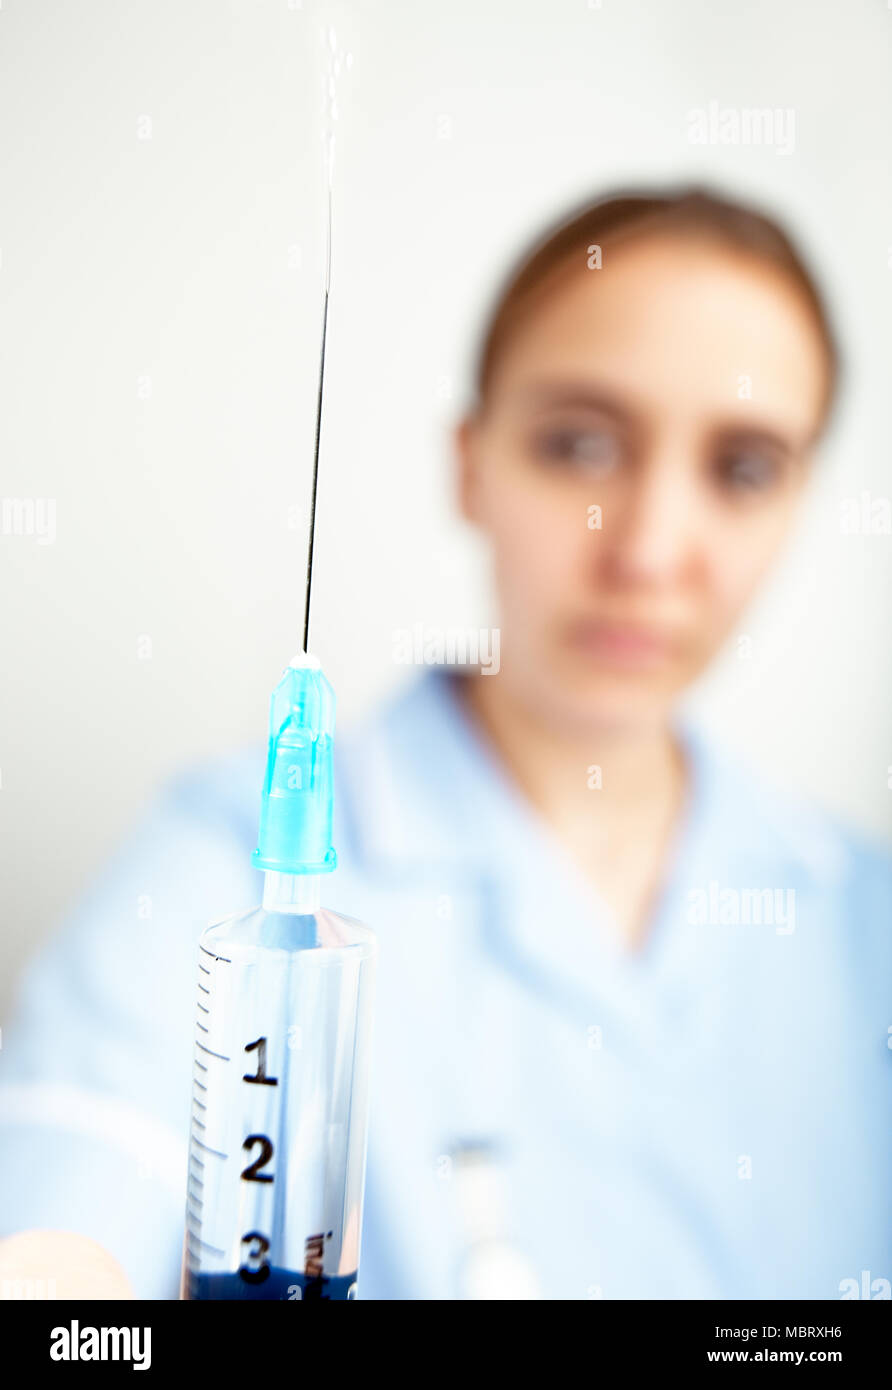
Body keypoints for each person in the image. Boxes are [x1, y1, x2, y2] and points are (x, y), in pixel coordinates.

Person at [1, 186, 889, 1300]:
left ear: (804, 498)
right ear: (471, 463)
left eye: (742, 467)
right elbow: (77, 1158)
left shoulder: (863, 919)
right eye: (579, 444)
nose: (652, 548)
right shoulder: (216, 854)